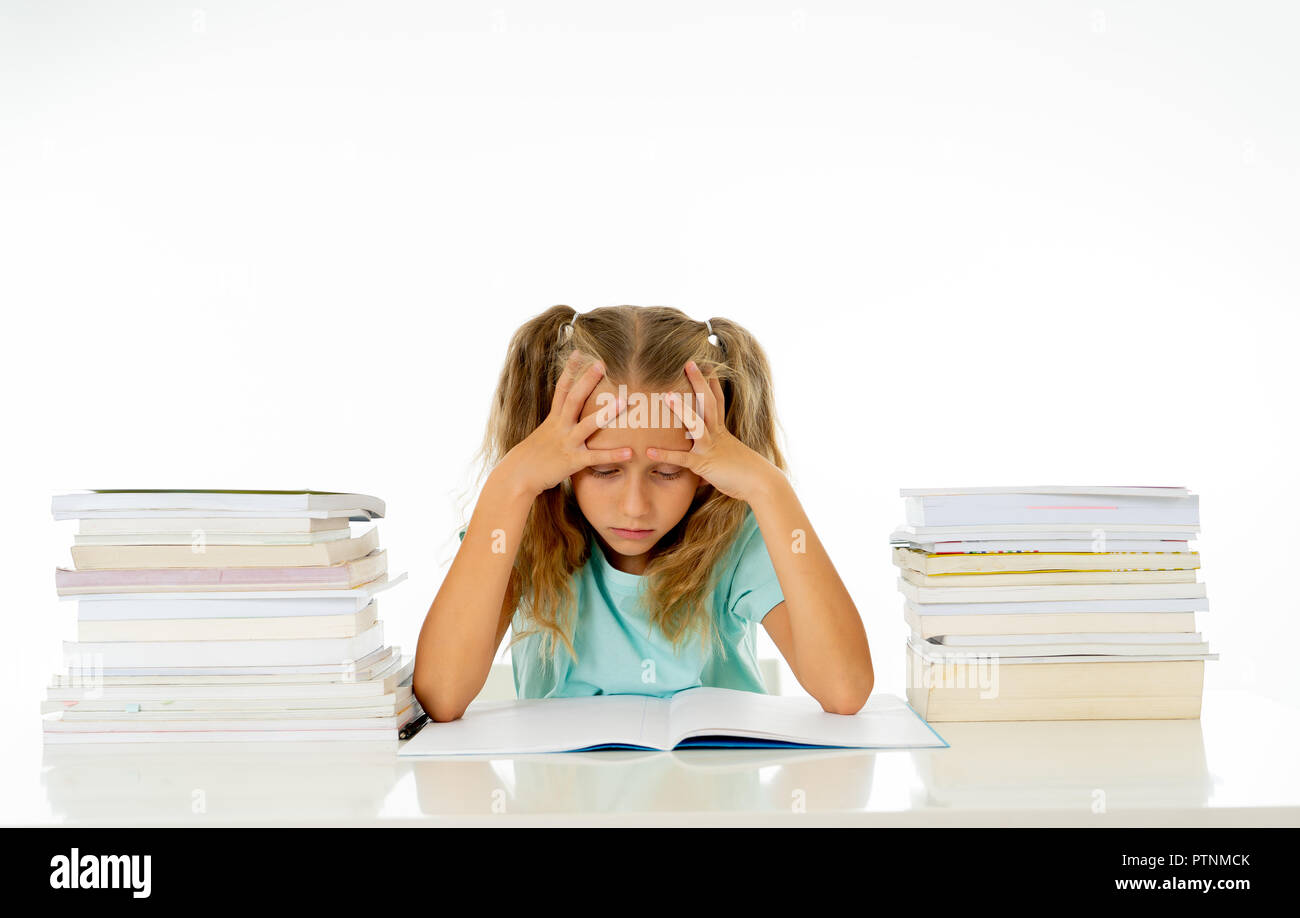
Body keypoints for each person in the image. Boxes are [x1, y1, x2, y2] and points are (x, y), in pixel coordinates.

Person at [413, 305, 872, 721]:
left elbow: (844, 690)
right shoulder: (522, 529)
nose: (634, 507)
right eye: (605, 469)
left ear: (710, 468)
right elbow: (442, 696)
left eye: (669, 472)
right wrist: (510, 484)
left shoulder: (734, 539)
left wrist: (769, 487)